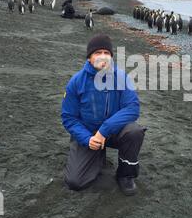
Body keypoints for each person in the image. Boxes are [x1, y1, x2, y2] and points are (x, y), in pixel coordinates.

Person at [61, 35, 146, 196]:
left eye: (106, 52)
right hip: (89, 134)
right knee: (75, 182)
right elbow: (69, 118)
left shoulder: (121, 77)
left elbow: (132, 108)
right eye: (97, 52)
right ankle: (97, 155)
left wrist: (104, 130)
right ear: (89, 57)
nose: (102, 56)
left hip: (112, 132)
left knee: (134, 131)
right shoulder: (76, 81)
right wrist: (87, 138)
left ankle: (125, 175)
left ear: (111, 57)